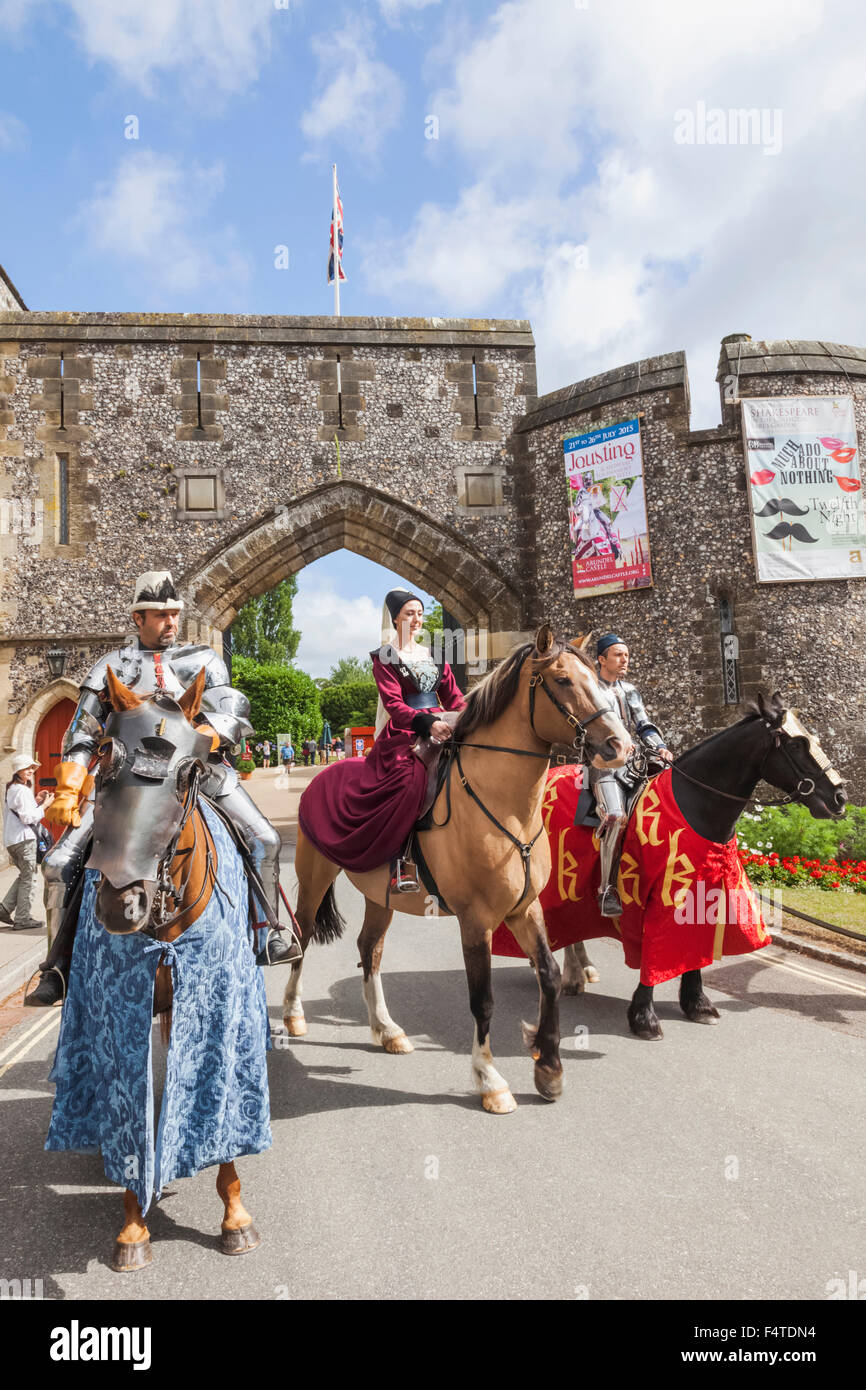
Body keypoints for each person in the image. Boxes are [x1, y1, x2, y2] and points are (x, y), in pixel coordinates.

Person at [29, 570, 296, 1007]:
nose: (170, 623)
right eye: (160, 615)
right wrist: (71, 781)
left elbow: (231, 711)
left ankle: (267, 934)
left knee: (263, 839)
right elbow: (82, 729)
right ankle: (56, 965)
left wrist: (201, 738)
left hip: (197, 771)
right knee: (59, 862)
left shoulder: (204, 660)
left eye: (174, 614)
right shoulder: (111, 666)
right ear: (138, 618)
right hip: (123, 778)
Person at [297, 588, 466, 893]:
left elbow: (454, 697)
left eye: (420, 613)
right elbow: (394, 705)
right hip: (407, 731)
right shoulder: (384, 656)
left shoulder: (437, 655)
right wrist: (428, 722)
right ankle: (401, 862)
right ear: (396, 618)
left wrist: (471, 717)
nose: (416, 620)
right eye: (409, 614)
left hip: (444, 726)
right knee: (409, 779)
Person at [583, 632, 673, 917]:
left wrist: (659, 747)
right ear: (601, 659)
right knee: (615, 816)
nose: (625, 660)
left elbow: (643, 724)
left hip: (632, 762)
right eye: (619, 655)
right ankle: (606, 890)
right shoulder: (588, 689)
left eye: (627, 655)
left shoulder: (630, 690)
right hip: (602, 764)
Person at [1, 755, 54, 931]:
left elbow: (24, 811)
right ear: (18, 771)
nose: (31, 771)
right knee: (29, 878)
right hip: (23, 839)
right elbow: (28, 817)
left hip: (12, 840)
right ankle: (22, 918)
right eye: (27, 768)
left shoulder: (13, 789)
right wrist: (45, 805)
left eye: (32, 768)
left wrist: (37, 801)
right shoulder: (21, 790)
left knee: (25, 875)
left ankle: (4, 908)